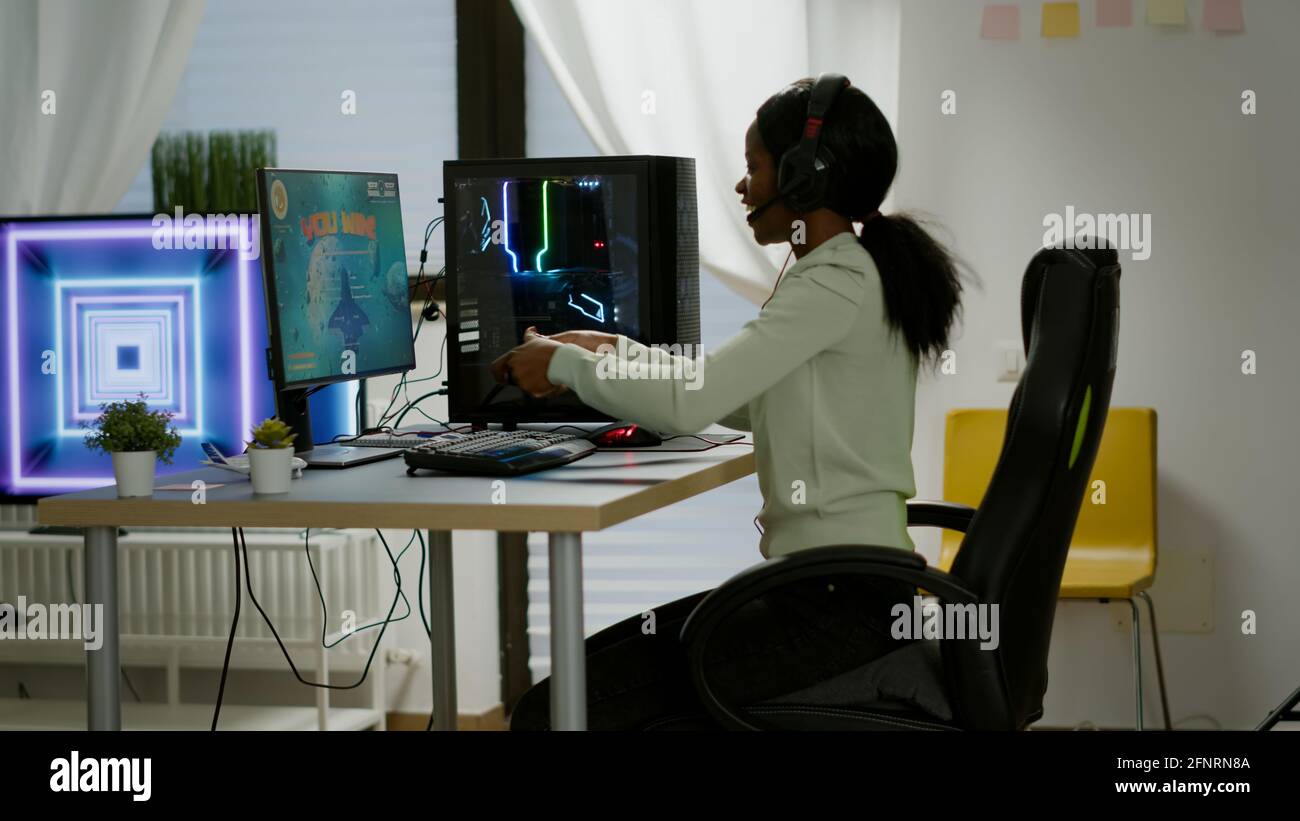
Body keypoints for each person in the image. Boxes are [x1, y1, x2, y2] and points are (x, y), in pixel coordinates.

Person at [493, 74, 974, 730]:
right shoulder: (853, 275)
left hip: (835, 610)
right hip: (837, 593)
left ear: (804, 178)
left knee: (557, 708)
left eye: (754, 167)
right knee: (583, 677)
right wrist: (610, 348)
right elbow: (742, 399)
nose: (743, 187)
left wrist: (565, 363)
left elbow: (694, 401)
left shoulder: (832, 282)